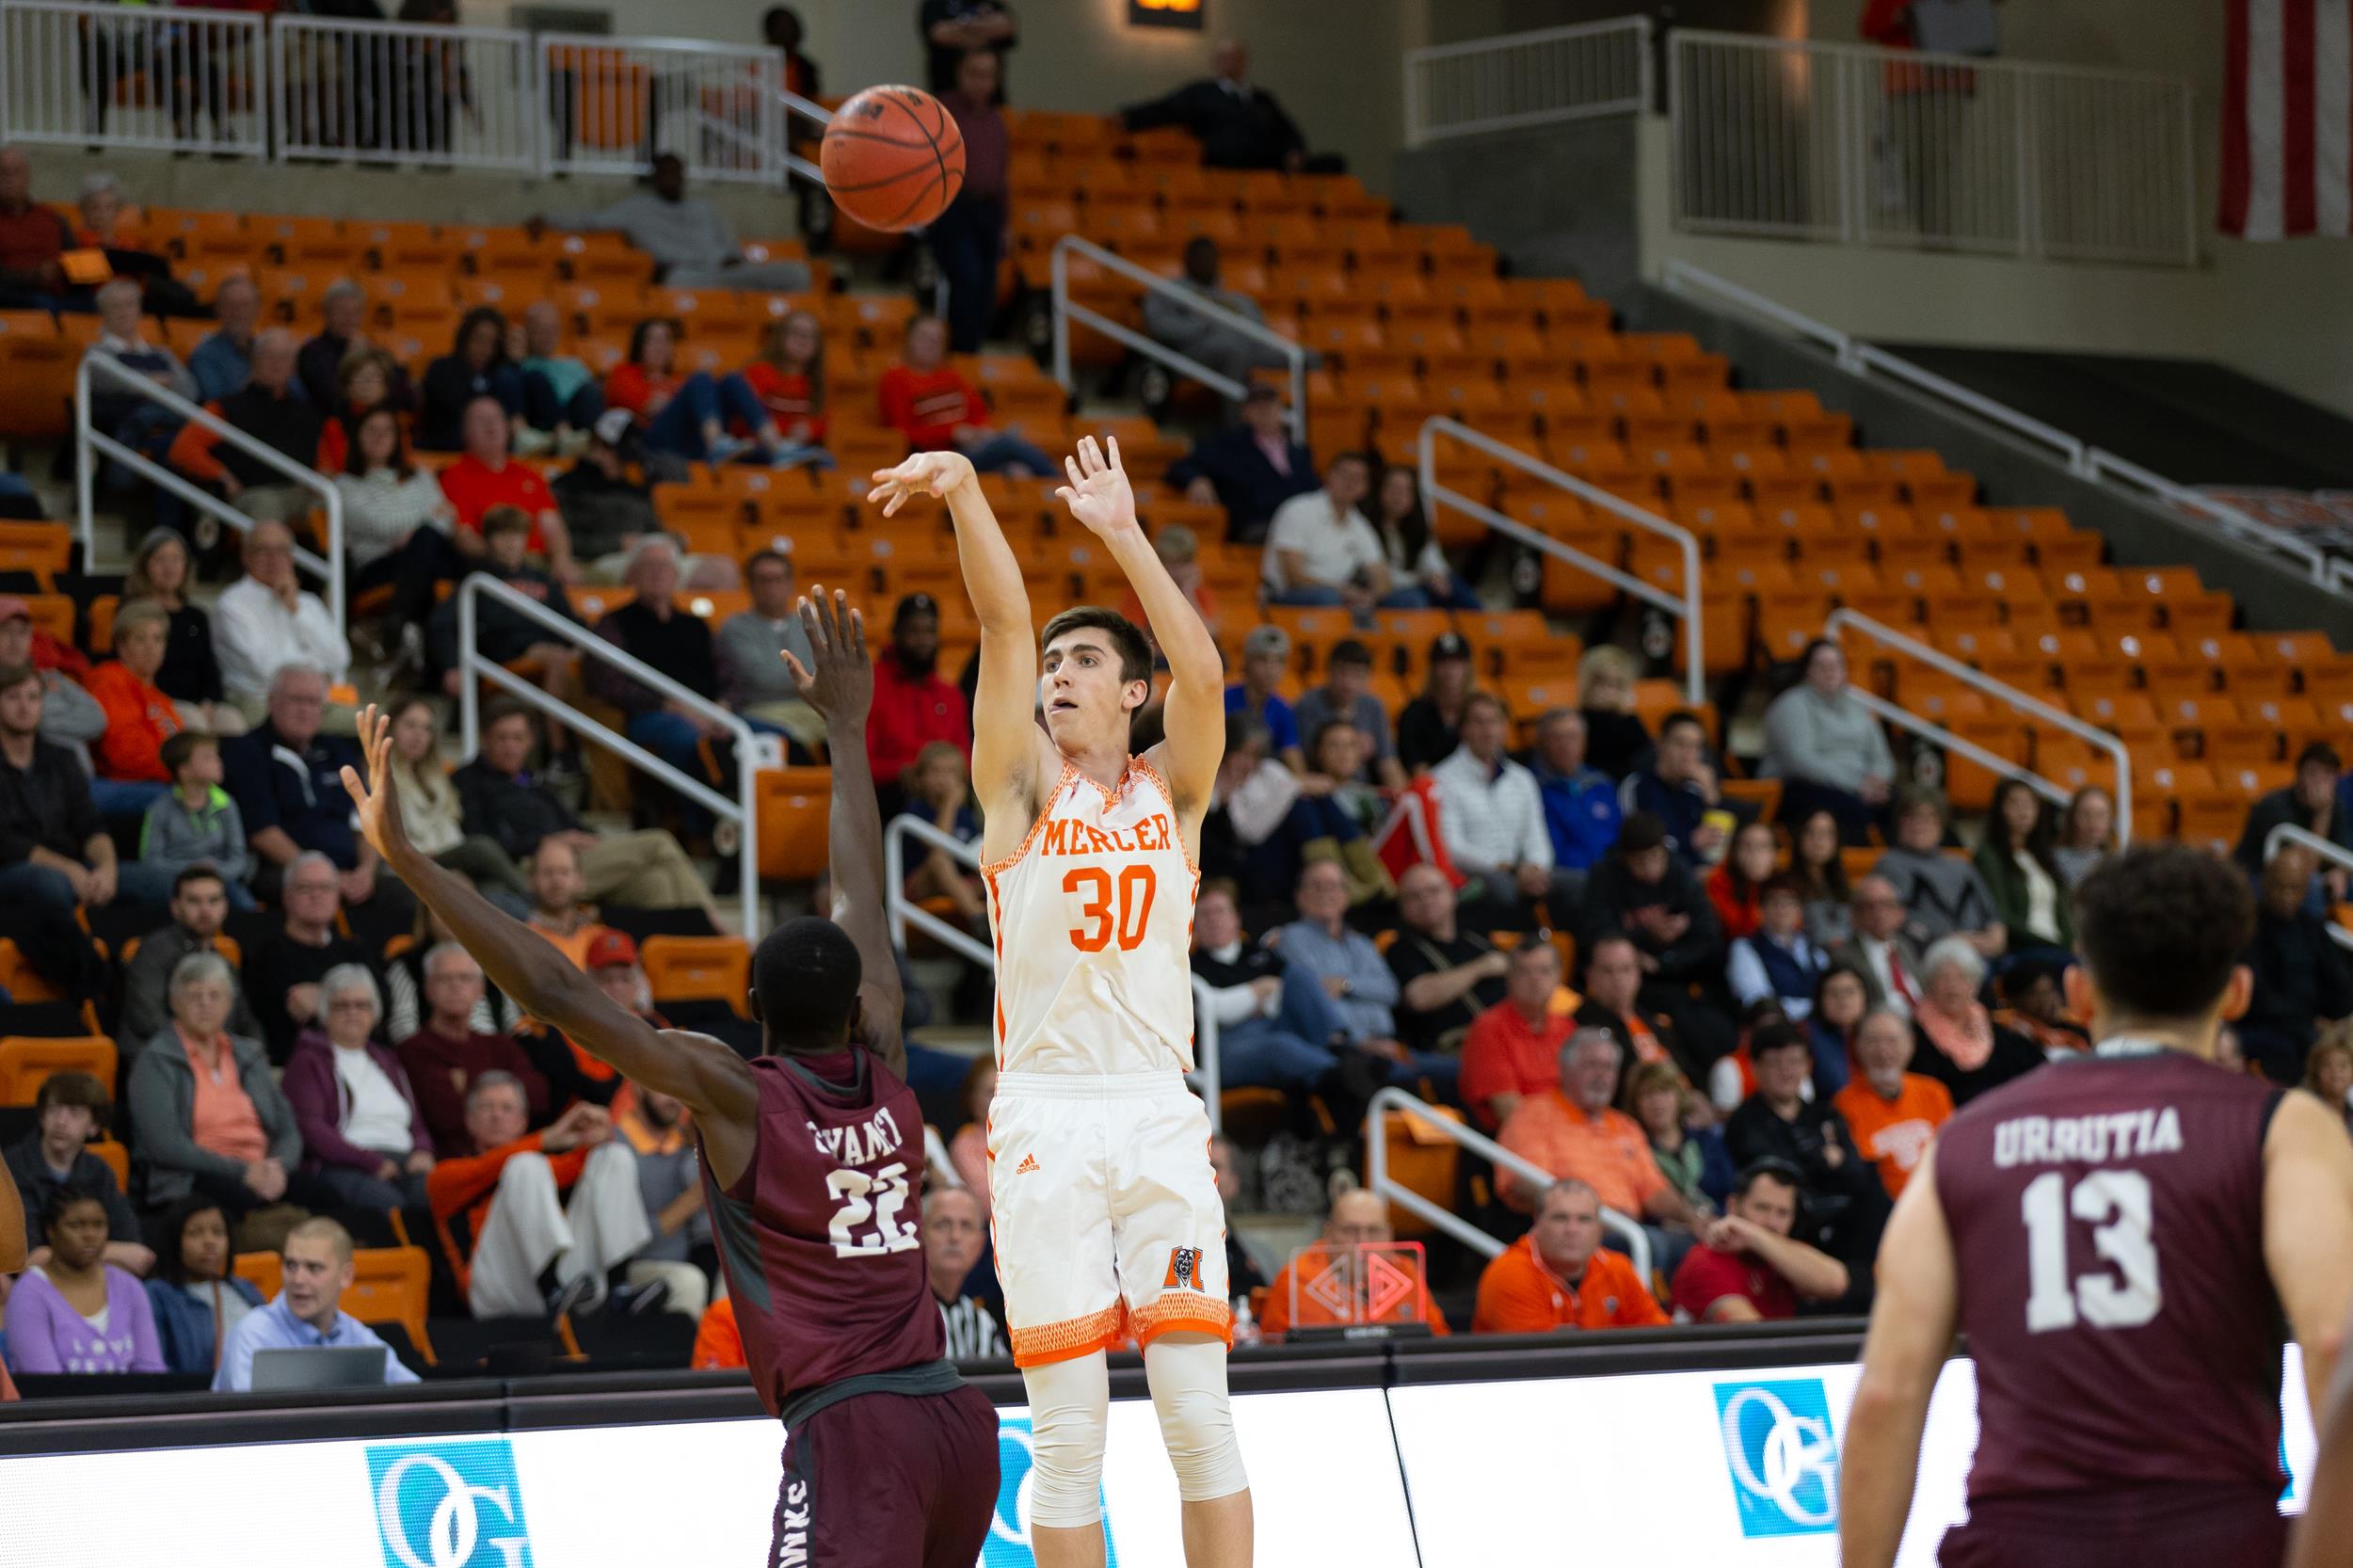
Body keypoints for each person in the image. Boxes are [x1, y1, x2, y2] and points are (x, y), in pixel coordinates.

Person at [341, 584, 1000, 1566]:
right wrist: (846, 731)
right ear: (858, 1000)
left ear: (753, 1004)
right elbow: (862, 893)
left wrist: (411, 860)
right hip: (956, 1421)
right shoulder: (889, 1059)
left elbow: (556, 989)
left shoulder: (739, 1091)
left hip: (857, 1429)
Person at [865, 433, 1250, 1561]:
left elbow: (1204, 679)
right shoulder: (1022, 788)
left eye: (1085, 660)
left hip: (1157, 1110)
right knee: (1069, 1436)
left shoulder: (1174, 792)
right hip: (1043, 1117)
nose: (1059, 675)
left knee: (1199, 1422)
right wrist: (963, 491)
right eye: (1055, 664)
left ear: (1133, 691)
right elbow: (1000, 627)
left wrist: (1122, 532)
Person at [1848, 843, 2353, 1568]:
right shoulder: (2284, 1126)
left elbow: (1886, 1394)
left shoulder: (1963, 1140)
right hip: (2214, 1534)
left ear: (2080, 994)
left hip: (2019, 1543)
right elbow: (2336, 1348)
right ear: (2237, 994)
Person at [453, 700, 716, 916]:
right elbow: (481, 839)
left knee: (656, 883)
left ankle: (684, 956)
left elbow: (571, 821)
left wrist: (588, 837)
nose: (510, 746)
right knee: (659, 841)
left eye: (518, 738)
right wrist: (549, 842)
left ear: (530, 741)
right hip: (533, 865)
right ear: (484, 739)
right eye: (502, 738)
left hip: (576, 859)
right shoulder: (468, 780)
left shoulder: (532, 780)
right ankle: (713, 925)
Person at [1497, 1030, 1706, 1279]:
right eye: (1591, 1065)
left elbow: (1654, 1191)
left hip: (1629, 1231)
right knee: (1647, 1245)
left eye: (1608, 1068)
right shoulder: (1534, 1114)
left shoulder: (1626, 1126)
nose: (1601, 1075)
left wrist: (1695, 1218)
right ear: (1565, 1070)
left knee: (1704, 1247)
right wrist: (1594, 1215)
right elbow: (1522, 1183)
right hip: (1574, 1232)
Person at [126, 952, 306, 1218]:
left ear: (230, 1003)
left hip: (262, 1170)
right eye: (194, 996)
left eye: (214, 995)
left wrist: (278, 1168)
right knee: (247, 1204)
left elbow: (288, 1128)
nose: (205, 1004)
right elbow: (165, 1145)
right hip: (194, 1175)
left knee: (327, 1197)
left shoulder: (250, 1054)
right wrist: (243, 1171)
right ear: (174, 1003)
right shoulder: (156, 1059)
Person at [222, 666, 403, 917]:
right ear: (272, 702)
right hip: (285, 870)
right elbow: (262, 832)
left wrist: (366, 871)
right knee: (311, 891)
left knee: (409, 895)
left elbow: (363, 820)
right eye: (296, 700)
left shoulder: (337, 751)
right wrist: (322, 875)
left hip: (352, 871)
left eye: (313, 702)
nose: (305, 710)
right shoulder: (246, 751)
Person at [586, 537, 740, 831]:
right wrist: (670, 705)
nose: (658, 573)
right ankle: (703, 830)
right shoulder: (612, 624)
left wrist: (723, 708)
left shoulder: (696, 624)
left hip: (712, 713)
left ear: (677, 575)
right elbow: (609, 683)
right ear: (631, 575)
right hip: (653, 715)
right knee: (688, 741)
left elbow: (729, 676)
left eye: (665, 566)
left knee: (774, 735)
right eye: (649, 566)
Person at [1723, 1023, 1887, 1279]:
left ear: (1808, 1066)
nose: (1786, 1071)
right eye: (1775, 1063)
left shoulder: (1824, 1113)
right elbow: (1780, 1177)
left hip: (1838, 1213)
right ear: (1755, 1068)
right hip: (1787, 1219)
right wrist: (1827, 1160)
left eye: (1794, 1061)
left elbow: (1855, 1171)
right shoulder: (1744, 1122)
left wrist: (1823, 1163)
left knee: (1876, 1195)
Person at [1277, 858, 1453, 1094]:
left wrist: (1347, 985)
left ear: (1346, 896)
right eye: (1317, 886)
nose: (1326, 893)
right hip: (1343, 1054)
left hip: (1390, 1048)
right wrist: (1359, 1041)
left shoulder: (1362, 943)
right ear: (1299, 896)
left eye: (1333, 886)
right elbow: (1319, 996)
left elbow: (1390, 991)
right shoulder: (1292, 938)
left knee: (1468, 1070)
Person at [541, 153, 814, 294]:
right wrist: (547, 219)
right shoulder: (636, 208)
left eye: (678, 173)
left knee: (798, 273)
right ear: (655, 178)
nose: (673, 179)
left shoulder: (704, 208)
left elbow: (730, 246)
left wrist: (732, 258)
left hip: (725, 272)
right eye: (666, 173)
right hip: (686, 276)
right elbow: (591, 221)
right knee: (676, 284)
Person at [0, 663, 151, 914]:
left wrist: (107, 870)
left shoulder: (63, 759)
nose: (24, 707)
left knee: (162, 883)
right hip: (14, 871)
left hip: (74, 866)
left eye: (33, 697)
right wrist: (68, 869)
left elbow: (89, 822)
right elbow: (5, 842)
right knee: (50, 884)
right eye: (13, 697)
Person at [283, 964, 436, 1211]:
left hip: (405, 1162)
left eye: (362, 1005)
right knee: (391, 1207)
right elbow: (311, 1128)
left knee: (439, 1197)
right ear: (324, 1012)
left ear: (375, 1013)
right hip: (344, 1165)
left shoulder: (388, 1059)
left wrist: (423, 1150)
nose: (352, 1012)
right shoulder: (308, 1060)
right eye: (341, 1006)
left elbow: (416, 1121)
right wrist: (370, 1162)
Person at [213, 1218, 420, 1391]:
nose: (298, 1279)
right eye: (291, 1265)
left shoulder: (356, 1335)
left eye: (314, 1268)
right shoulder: (252, 1333)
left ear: (346, 1276)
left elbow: (415, 1397)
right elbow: (250, 1419)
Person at [1580, 811, 1727, 1050]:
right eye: (1641, 861)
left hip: (1679, 968)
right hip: (1635, 978)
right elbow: (1597, 936)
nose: (1651, 868)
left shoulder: (1679, 870)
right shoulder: (1604, 876)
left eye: (1657, 857)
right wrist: (1645, 938)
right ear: (1625, 858)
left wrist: (1665, 961)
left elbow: (1708, 931)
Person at [1188, 878, 1347, 1097]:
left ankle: (1340, 1047)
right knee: (1282, 1046)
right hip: (1224, 1051)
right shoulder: (1191, 966)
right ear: (1194, 924)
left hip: (1278, 1030)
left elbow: (1293, 993)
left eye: (1220, 911)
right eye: (1205, 914)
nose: (1214, 920)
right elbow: (1217, 1011)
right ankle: (1342, 1071)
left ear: (1236, 917)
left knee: (1299, 976)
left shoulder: (1260, 954)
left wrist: (1251, 1004)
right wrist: (1261, 990)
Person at [164, 330, 333, 529]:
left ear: (294, 366)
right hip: (252, 493)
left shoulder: (308, 413)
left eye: (285, 357)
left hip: (299, 491)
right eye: (269, 356)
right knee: (265, 504)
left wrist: (324, 479)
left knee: (338, 501)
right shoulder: (226, 407)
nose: (277, 363)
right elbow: (182, 449)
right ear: (254, 361)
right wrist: (222, 476)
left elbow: (324, 463)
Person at [1431, 693, 1576, 921]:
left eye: (1494, 721)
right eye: (1479, 722)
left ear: (1504, 728)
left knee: (1580, 884)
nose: (1488, 730)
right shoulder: (1441, 779)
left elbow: (1536, 837)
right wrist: (1508, 869)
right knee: (1503, 890)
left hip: (1520, 873)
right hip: (1474, 876)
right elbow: (1453, 848)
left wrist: (1535, 868)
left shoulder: (1522, 778)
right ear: (1463, 729)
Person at [397, 941, 552, 1154]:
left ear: (480, 990)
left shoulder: (501, 1045)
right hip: (449, 1160)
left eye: (465, 978)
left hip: (510, 1156)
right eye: (444, 978)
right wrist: (506, 1092)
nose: (455, 986)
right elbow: (444, 1115)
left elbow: (540, 1096)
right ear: (428, 989)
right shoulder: (412, 1050)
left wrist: (466, 1084)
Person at [384, 696, 530, 914]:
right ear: (390, 729)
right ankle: (536, 899)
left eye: (426, 729)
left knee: (494, 891)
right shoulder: (381, 778)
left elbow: (451, 829)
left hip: (447, 858)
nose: (418, 735)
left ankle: (539, 920)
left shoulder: (437, 779)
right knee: (481, 847)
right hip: (416, 861)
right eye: (410, 725)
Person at [1471, 1177, 1669, 1334]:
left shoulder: (1617, 1268)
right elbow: (1535, 1361)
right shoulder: (1510, 1273)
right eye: (1560, 1218)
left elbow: (1659, 1336)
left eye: (1584, 1220)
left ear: (1599, 1228)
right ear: (1537, 1222)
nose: (1572, 1230)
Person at [3, 1186, 167, 1373]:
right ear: (51, 1230)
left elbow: (151, 1370)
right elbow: (45, 1381)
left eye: (99, 1225)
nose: (90, 1235)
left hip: (133, 1395)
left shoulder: (128, 1286)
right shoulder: (28, 1293)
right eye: (76, 1225)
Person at [336, 405, 464, 639]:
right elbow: (380, 524)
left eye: (387, 430)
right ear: (357, 436)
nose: (379, 437)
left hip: (422, 558)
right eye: (371, 430)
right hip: (377, 567)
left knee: (448, 551)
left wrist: (414, 535)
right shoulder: (345, 485)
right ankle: (400, 625)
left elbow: (448, 518)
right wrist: (426, 517)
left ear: (397, 438)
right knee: (428, 539)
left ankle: (401, 623)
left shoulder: (420, 475)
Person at [605, 316, 800, 469]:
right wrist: (680, 402)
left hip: (691, 442)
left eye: (666, 340)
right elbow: (649, 407)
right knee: (701, 378)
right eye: (653, 340)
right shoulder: (624, 373)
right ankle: (716, 444)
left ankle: (776, 447)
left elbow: (665, 405)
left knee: (732, 380)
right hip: (653, 443)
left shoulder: (679, 380)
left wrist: (675, 401)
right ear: (639, 345)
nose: (661, 346)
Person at [5, 1072, 151, 1274]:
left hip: (86, 1280)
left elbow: (138, 1254)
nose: (61, 1122)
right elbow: (29, 1260)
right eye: (53, 1110)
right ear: (42, 1116)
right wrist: (104, 1253)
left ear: (94, 1126)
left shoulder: (98, 1170)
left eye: (74, 1113)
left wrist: (73, 1255)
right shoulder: (12, 1166)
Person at [1669, 1159, 1849, 1322]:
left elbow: (1836, 1283)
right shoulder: (1705, 1260)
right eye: (1761, 1208)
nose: (1772, 1222)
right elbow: (1752, 1337)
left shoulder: (1779, 1251)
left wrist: (1754, 1236)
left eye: (1783, 1213)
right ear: (1733, 1206)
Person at [242, 852, 381, 1063]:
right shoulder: (266, 955)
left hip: (359, 1060)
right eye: (305, 888)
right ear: (286, 896)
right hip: (294, 1063)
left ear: (337, 896)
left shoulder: (356, 949)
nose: (316, 895)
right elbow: (274, 1016)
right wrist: (348, 1000)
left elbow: (381, 1003)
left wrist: (323, 998)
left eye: (325, 888)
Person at [1258, 1188, 1449, 1338]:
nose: (1362, 1242)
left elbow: (1439, 1342)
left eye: (1373, 1231)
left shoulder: (1405, 1272)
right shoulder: (1296, 1280)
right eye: (1350, 1230)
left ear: (1389, 1235)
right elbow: (1275, 1354)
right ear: (1328, 1233)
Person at [878, 314, 1054, 476]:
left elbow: (977, 412)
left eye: (938, 340)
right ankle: (1060, 481)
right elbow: (901, 434)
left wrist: (979, 432)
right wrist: (952, 433)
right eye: (925, 338)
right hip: (931, 458)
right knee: (1006, 444)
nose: (931, 345)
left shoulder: (952, 377)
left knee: (1019, 471)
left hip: (968, 450)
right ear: (909, 340)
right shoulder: (896, 379)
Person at [1120, 39, 1327, 172]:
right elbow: (1166, 109)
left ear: (1244, 62)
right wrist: (1129, 117)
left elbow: (1286, 129)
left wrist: (1294, 150)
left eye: (1236, 58)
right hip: (1225, 164)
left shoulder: (1262, 99)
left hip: (1266, 165)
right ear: (1216, 62)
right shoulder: (1202, 93)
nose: (1231, 63)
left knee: (1330, 164)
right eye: (1225, 58)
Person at [1760, 639, 1895, 843]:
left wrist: (1878, 780)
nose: (1830, 671)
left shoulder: (1858, 707)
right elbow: (1800, 761)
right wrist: (1857, 785)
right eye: (1822, 665)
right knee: (1852, 810)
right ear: (1807, 671)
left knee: (1905, 807)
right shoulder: (1791, 705)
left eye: (1836, 664)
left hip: (1860, 788)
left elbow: (1882, 756)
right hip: (1802, 786)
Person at [212, 525, 351, 716]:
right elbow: (266, 669)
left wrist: (295, 610)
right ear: (245, 556)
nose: (274, 558)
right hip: (261, 702)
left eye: (282, 550)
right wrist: (319, 668)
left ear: (292, 557)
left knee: (375, 721)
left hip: (317, 701)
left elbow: (340, 658)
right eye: (263, 550)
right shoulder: (232, 603)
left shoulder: (308, 603)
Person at [2242, 845, 2353, 1083]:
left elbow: (2339, 981)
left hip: (2311, 1024)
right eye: (2279, 887)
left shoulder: (2311, 927)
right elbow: (2258, 995)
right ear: (2266, 883)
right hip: (2269, 1027)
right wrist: (2308, 1020)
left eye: (2294, 889)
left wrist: (2336, 1019)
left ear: (2305, 891)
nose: (2286, 896)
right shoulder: (2249, 929)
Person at [120, 867, 262, 1050]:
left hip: (216, 1058)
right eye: (194, 901)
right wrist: (201, 1050)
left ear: (225, 906)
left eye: (213, 900)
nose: (205, 910)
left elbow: (245, 1021)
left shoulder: (223, 963)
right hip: (162, 1056)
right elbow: (147, 1018)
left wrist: (254, 1054)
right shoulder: (153, 952)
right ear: (175, 907)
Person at [438, 396, 576, 580]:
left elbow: (552, 526)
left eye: (496, 418)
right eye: (480, 420)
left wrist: (561, 561)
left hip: (542, 564)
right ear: (465, 431)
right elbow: (463, 536)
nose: (490, 426)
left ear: (507, 426)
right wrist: (506, 559)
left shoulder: (529, 474)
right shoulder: (455, 476)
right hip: (495, 565)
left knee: (596, 577)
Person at [1164, 382, 1318, 547]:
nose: (1264, 409)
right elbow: (1180, 467)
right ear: (1244, 412)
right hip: (1258, 526)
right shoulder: (1228, 446)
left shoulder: (1299, 452)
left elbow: (1313, 489)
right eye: (1256, 405)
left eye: (1269, 403)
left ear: (1280, 409)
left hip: (1301, 525)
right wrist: (1196, 479)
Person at [930, 49, 1009, 356]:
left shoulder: (996, 120)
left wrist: (1006, 223)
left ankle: (972, 351)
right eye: (974, 73)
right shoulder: (943, 112)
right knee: (967, 277)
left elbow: (1002, 176)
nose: (981, 82)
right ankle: (957, 351)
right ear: (960, 74)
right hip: (954, 207)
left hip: (988, 210)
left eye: (987, 75)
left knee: (986, 286)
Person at [1907, 936, 2047, 1107]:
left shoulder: (1995, 1030)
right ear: (1930, 985)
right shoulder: (1916, 1037)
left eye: (1961, 978)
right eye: (1943, 978)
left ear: (1974, 986)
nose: (1952, 986)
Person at [615, 1085, 715, 1320]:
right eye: (661, 1086)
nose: (673, 1098)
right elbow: (625, 1243)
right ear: (637, 1088)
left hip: (690, 1261)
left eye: (677, 1086)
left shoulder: (686, 1147)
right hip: (635, 1268)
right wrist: (695, 1196)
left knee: (741, 1281)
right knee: (689, 1281)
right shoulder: (616, 1148)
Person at [1386, 861, 1508, 1056]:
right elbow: (1419, 997)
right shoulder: (1400, 950)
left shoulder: (1476, 940)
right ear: (1402, 907)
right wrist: (1481, 968)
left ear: (1452, 894)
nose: (1426, 900)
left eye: (1433, 891)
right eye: (1414, 896)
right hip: (1451, 1048)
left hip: (1507, 1037)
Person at [124, 528, 238, 733]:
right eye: (160, 560)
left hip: (199, 704)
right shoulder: (134, 613)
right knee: (195, 725)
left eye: (176, 559)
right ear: (144, 566)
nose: (169, 568)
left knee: (231, 720)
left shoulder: (196, 616)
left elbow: (209, 666)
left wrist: (209, 701)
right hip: (157, 701)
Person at [1830, 1008, 1950, 1200]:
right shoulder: (1843, 1105)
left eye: (1892, 1040)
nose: (1883, 1051)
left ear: (1911, 1043)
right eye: (1873, 1041)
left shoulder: (1934, 1093)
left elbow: (1953, 1156)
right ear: (1856, 1047)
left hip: (1939, 1200)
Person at [84, 600, 188, 818]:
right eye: (140, 639)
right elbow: (123, 756)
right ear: (122, 646)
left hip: (162, 781)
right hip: (118, 784)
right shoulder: (109, 680)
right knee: (187, 799)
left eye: (157, 639)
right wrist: (180, 771)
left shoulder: (160, 698)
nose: (151, 647)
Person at [1874, 785, 2007, 956]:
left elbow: (1992, 915)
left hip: (1979, 952)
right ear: (1899, 822)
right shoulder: (1890, 864)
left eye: (1929, 817)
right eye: (1911, 816)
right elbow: (1891, 920)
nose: (1919, 824)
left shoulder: (1961, 865)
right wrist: (1952, 941)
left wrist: (1996, 939)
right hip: (1925, 953)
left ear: (1942, 824)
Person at [1144, 237, 1287, 395]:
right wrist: (1204, 325)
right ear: (1188, 260)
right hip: (1192, 351)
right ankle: (1236, 412)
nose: (1206, 262)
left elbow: (1259, 329)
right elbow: (1159, 326)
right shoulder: (1171, 291)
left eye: (1211, 257)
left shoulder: (1234, 296)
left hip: (1246, 347)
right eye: (1200, 257)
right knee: (1233, 351)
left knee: (1298, 357)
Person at [1459, 942, 1573, 1133]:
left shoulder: (1567, 1027)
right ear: (1509, 978)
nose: (1535, 980)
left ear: (1559, 977)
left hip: (1568, 1133)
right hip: (1517, 1139)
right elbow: (1509, 1111)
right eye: (1524, 972)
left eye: (1544, 971)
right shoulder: (1488, 1028)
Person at [1575, 932, 1708, 1094]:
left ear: (1638, 974)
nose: (1618, 979)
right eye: (1607, 971)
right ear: (1589, 975)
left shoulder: (1655, 1020)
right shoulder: (1581, 1026)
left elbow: (1686, 1071)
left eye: (1625, 969)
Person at [143, 1197, 264, 1376]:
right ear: (175, 1241)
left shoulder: (246, 1289)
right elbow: (156, 1370)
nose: (209, 1241)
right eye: (195, 1233)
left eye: (218, 1232)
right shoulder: (156, 1295)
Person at [136, 732, 254, 909]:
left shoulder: (226, 804)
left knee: (245, 905)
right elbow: (151, 862)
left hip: (220, 879)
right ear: (184, 770)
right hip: (174, 880)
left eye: (216, 756)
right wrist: (191, 869)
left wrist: (215, 871)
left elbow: (239, 858)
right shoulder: (160, 808)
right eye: (208, 757)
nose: (218, 762)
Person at [869, 591, 974, 789]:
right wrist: (902, 772)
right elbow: (860, 763)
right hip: (888, 791)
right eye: (914, 631)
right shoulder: (871, 687)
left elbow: (965, 763)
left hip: (945, 792)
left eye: (929, 631)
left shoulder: (951, 697)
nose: (923, 640)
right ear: (896, 633)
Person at [718, 550, 823, 748]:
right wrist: (809, 679)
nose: (771, 587)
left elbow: (828, 674)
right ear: (750, 585)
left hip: (813, 710)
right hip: (763, 711)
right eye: (763, 580)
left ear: (790, 583)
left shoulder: (811, 626)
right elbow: (764, 679)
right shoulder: (735, 627)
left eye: (778, 579)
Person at [1260, 451, 1385, 615]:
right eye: (1344, 474)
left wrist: (1371, 596)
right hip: (1287, 595)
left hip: (1340, 595)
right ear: (1328, 476)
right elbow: (1294, 577)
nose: (1350, 482)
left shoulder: (1360, 525)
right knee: (1328, 597)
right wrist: (1343, 591)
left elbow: (1381, 573)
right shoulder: (1298, 509)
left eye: (1358, 478)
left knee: (1405, 599)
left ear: (1365, 488)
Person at [1975, 776, 2074, 963]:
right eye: (2015, 803)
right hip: (2022, 950)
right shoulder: (1989, 856)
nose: (2023, 811)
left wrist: (2070, 941)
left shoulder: (2043, 857)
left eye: (2030, 804)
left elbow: (2063, 912)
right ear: (1999, 809)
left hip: (2058, 949)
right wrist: (2057, 943)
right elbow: (2000, 914)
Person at [1619, 709, 1726, 866]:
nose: (1688, 754)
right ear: (1660, 744)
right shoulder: (1637, 785)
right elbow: (1638, 841)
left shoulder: (1696, 790)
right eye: (1680, 744)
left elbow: (1717, 847)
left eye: (1695, 746)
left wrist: (1711, 795)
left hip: (1699, 873)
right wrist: (1689, 841)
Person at [1625, 1060, 1733, 1215]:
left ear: (1679, 1096)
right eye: (1647, 1094)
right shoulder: (1633, 1150)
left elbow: (1731, 1191)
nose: (1657, 1102)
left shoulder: (1708, 1141)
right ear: (1635, 1103)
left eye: (1664, 1091)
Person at [1291, 639, 1402, 789]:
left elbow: (1388, 763)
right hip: (1322, 788)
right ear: (1329, 671)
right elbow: (1300, 763)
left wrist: (1403, 796)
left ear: (1368, 678)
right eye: (1341, 672)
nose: (1348, 682)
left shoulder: (1373, 707)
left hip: (1362, 789)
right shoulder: (1307, 706)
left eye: (1357, 674)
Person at [2237, 740, 2352, 881]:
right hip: (2257, 879)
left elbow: (2345, 855)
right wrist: (2322, 814)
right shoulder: (2273, 806)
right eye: (2313, 773)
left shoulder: (2336, 806)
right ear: (2299, 774)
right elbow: (2302, 871)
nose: (2319, 781)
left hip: (2305, 881)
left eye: (2327, 775)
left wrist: (2340, 873)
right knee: (2313, 885)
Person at [1369, 466, 1480, 610]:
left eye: (1406, 490)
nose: (1398, 495)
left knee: (1452, 584)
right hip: (1386, 591)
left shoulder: (1418, 527)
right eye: (1393, 488)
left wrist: (1437, 575)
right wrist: (1422, 579)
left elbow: (1434, 560)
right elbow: (1382, 576)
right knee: (1414, 598)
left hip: (1416, 584)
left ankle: (1484, 621)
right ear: (1379, 490)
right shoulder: (1366, 527)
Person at [296, 280, 415, 414]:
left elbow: (408, 399)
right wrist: (354, 358)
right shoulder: (312, 353)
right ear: (327, 313)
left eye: (356, 311)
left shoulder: (373, 351)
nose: (349, 318)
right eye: (342, 311)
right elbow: (330, 398)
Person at [418, 306, 524, 452]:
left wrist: (515, 365)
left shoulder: (501, 376)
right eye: (479, 339)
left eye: (492, 343)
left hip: (492, 451)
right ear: (465, 337)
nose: (484, 349)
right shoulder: (441, 368)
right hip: (447, 446)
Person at [1529, 708, 1621, 873]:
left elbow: (1619, 837)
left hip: (1610, 876)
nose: (1565, 745)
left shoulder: (1601, 784)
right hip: (1561, 877)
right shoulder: (1530, 787)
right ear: (1541, 743)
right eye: (1556, 738)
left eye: (1572, 737)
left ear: (1584, 742)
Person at [1727, 875, 1832, 1020]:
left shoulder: (1815, 950)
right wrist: (1816, 1009)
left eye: (1790, 903)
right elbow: (1758, 1001)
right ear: (1761, 909)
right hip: (1775, 1028)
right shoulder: (1745, 947)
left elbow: (1830, 992)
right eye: (1774, 902)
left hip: (1818, 1027)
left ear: (1799, 909)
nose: (1782, 909)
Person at [739, 312, 830, 470]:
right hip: (759, 446)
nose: (803, 340)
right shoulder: (758, 372)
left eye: (810, 336)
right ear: (781, 336)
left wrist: (809, 429)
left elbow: (822, 419)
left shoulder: (818, 381)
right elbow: (745, 415)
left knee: (827, 461)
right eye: (797, 332)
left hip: (797, 449)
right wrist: (783, 433)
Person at [923, 1187, 1006, 1358]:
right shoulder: (900, 1315)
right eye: (942, 1225)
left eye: (966, 1226)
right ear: (919, 1234)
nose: (955, 1236)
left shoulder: (982, 1321)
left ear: (981, 1243)